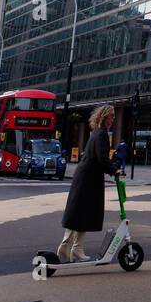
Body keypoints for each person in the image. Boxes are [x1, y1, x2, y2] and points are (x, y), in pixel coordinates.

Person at [59, 104, 122, 261]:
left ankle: (66, 246)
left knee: (78, 211)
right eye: (111, 116)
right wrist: (114, 170)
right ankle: (75, 248)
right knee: (84, 212)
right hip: (89, 178)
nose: (113, 119)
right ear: (104, 116)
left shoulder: (95, 133)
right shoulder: (101, 135)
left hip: (84, 176)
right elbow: (102, 158)